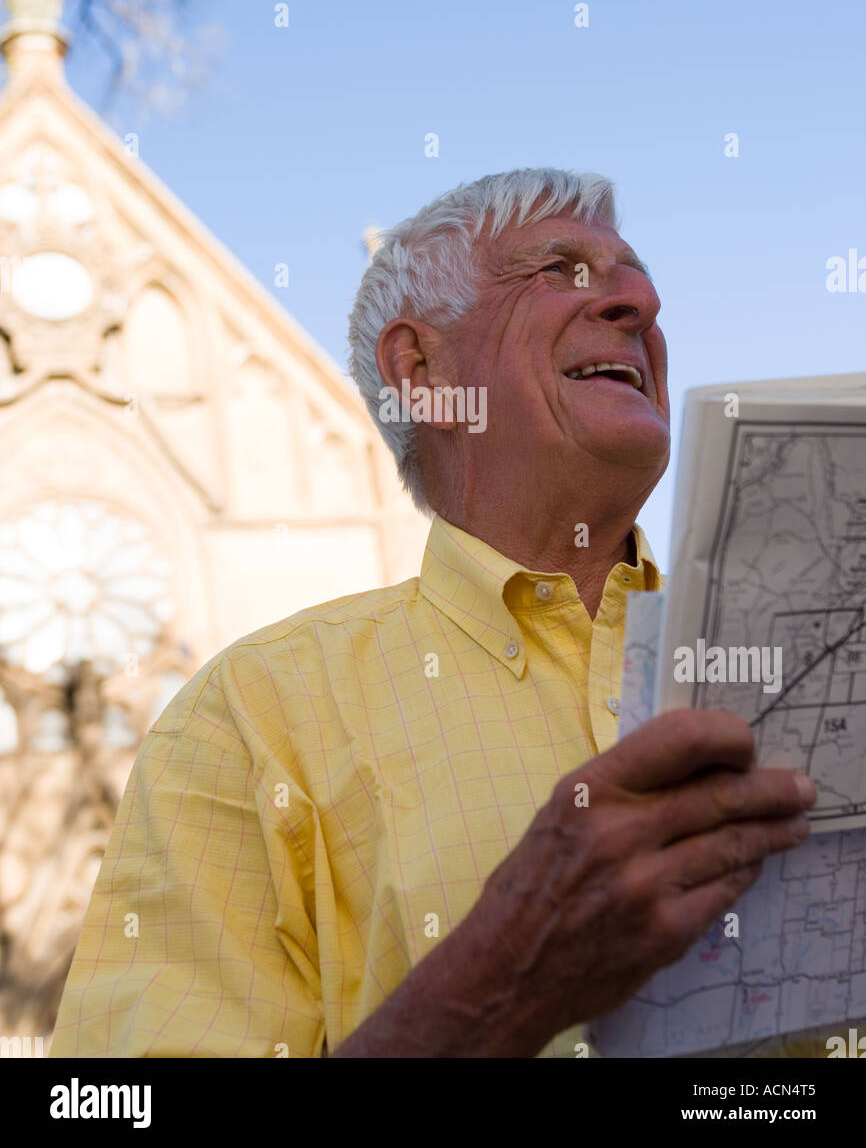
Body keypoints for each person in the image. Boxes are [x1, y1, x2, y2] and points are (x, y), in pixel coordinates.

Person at [50, 167, 815, 1058]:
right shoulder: (249, 721)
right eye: (559, 270)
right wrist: (500, 981)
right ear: (420, 369)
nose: (639, 300)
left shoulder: (809, 654)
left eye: (636, 275)